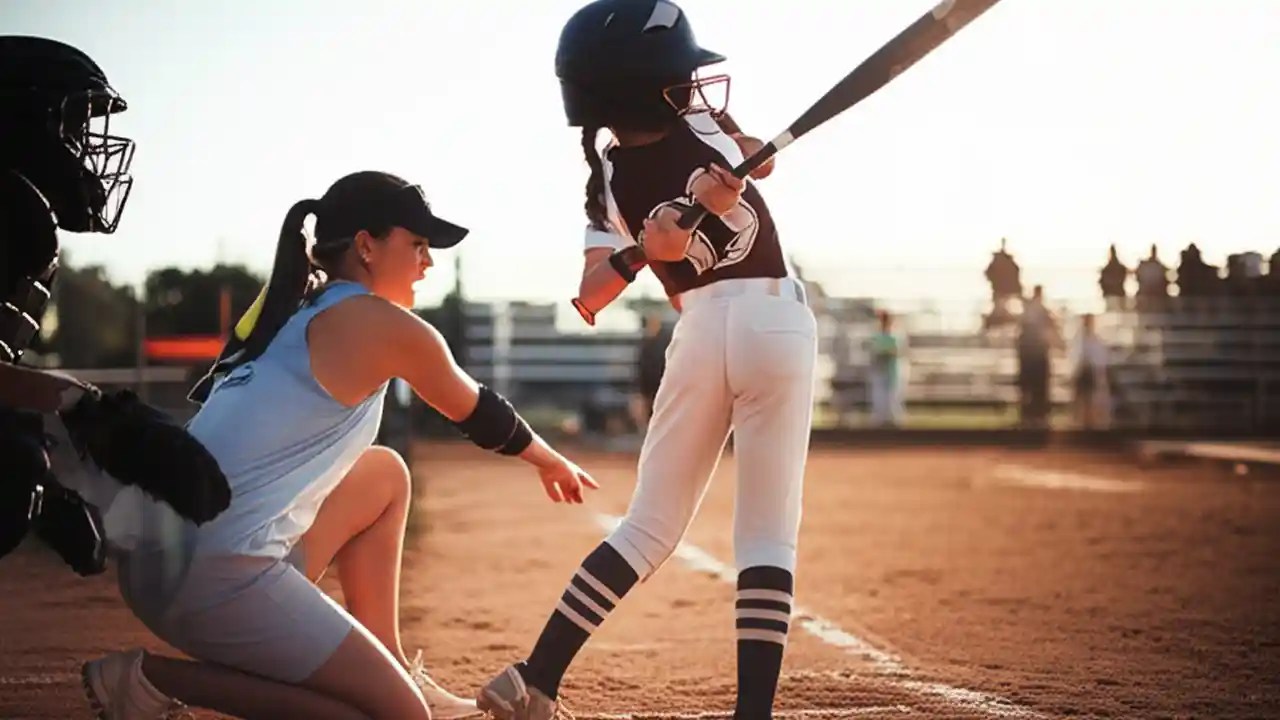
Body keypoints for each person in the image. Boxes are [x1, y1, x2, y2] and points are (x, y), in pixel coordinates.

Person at [81, 170, 599, 720]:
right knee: (397, 718)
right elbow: (479, 412)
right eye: (417, 244)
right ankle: (150, 680)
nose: (428, 261)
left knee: (383, 476)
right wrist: (549, 459)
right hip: (214, 577)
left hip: (160, 564)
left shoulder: (293, 310)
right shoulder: (380, 323)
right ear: (366, 247)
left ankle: (393, 669)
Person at [477, 2, 818, 719]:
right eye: (676, 73)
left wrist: (720, 183)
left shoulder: (614, 171)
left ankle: (535, 678)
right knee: (765, 533)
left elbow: (592, 292)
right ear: (642, 84)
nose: (692, 83)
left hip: (698, 336)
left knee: (647, 525)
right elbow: (595, 291)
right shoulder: (660, 144)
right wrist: (649, 249)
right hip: (773, 321)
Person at [1, 36, 229, 578]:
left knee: (18, 445)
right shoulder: (12, 212)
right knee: (12, 461)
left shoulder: (16, 208)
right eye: (74, 123)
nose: (85, 145)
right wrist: (82, 404)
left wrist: (50, 493)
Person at [1069, 314, 1110, 430]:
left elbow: (1099, 358)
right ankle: (1080, 423)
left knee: (1089, 399)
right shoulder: (1079, 339)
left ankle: (1088, 423)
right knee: (1080, 400)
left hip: (1089, 371)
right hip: (1082, 371)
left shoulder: (1094, 339)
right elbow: (1075, 357)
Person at [868, 310, 905, 428]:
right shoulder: (877, 336)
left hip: (891, 372)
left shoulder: (895, 336)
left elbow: (897, 352)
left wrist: (885, 352)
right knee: (879, 401)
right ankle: (880, 427)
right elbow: (874, 353)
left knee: (893, 400)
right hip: (880, 372)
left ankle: (894, 426)